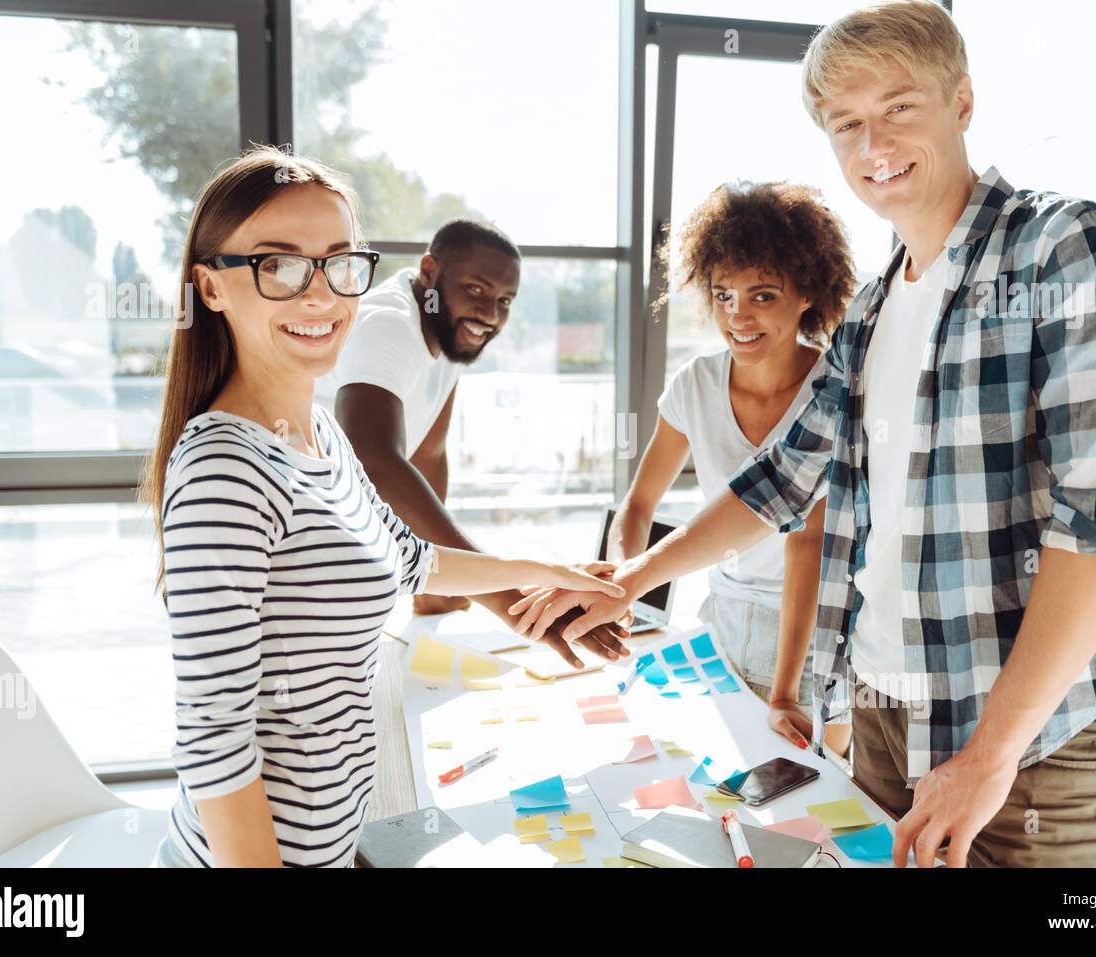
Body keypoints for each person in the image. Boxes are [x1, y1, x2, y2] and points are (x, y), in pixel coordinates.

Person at [509, 0, 1096, 868]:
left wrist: (991, 752)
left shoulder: (1069, 246)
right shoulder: (871, 308)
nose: (873, 145)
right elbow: (781, 482)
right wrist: (628, 581)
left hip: (1032, 748)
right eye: (845, 124)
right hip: (884, 721)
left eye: (899, 108)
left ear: (962, 101)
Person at [142, 145, 625, 867]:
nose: (320, 295)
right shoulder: (225, 469)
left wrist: (539, 572)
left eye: (338, 261)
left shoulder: (323, 437)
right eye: (278, 265)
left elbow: (409, 558)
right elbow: (213, 741)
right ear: (210, 288)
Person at [602, 181, 855, 756]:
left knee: (801, 789)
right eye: (723, 295)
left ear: (808, 294)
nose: (737, 315)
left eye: (763, 295)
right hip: (720, 616)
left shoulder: (835, 395)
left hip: (810, 630)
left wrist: (787, 691)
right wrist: (626, 593)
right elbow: (638, 507)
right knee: (717, 777)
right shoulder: (695, 384)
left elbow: (805, 545)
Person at [317, 220, 630, 670]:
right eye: (477, 290)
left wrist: (436, 582)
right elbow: (373, 459)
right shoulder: (389, 324)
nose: (490, 314)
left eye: (505, 301)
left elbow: (429, 455)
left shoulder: (445, 330)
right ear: (430, 270)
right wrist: (508, 601)